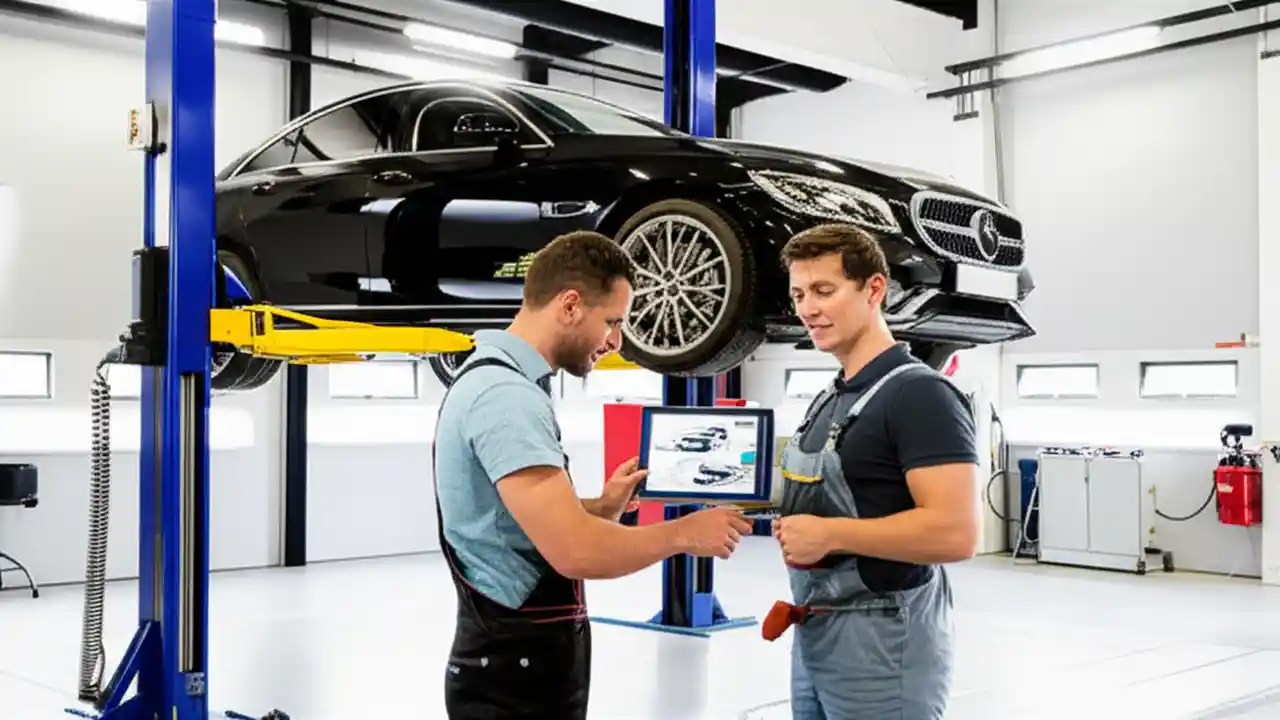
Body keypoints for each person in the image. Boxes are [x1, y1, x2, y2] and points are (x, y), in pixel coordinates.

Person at [432, 230, 753, 720]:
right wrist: (685, 533)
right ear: (570, 305)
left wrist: (601, 509)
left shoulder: (501, 382)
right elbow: (576, 551)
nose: (616, 341)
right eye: (612, 322)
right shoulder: (505, 398)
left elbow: (504, 518)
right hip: (511, 680)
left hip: (518, 667)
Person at [768, 223, 980, 719]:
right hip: (816, 632)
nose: (807, 309)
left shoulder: (919, 395)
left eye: (824, 290)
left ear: (874, 290)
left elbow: (955, 534)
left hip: (883, 642)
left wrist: (830, 534)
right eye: (799, 293)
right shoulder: (831, 396)